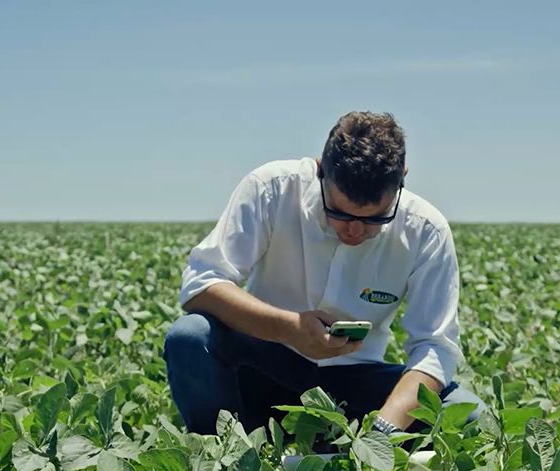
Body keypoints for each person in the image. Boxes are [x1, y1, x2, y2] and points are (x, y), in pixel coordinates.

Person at [163, 111, 484, 439]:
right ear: (320, 171)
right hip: (263, 366)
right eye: (339, 212)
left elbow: (435, 345)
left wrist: (384, 432)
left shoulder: (425, 230)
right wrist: (288, 329)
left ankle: (349, 451)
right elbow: (201, 285)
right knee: (190, 337)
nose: (355, 230)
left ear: (402, 177)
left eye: (376, 218)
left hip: (355, 380)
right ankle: (220, 454)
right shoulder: (272, 188)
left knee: (469, 414)